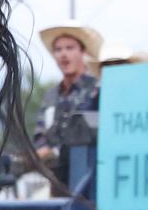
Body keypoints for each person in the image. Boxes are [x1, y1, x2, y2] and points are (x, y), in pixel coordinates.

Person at [32, 24, 102, 163]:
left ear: (83, 53)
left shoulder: (96, 89)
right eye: (58, 50)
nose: (63, 54)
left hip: (85, 167)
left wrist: (54, 152)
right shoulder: (50, 96)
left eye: (70, 48)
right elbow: (40, 135)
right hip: (51, 172)